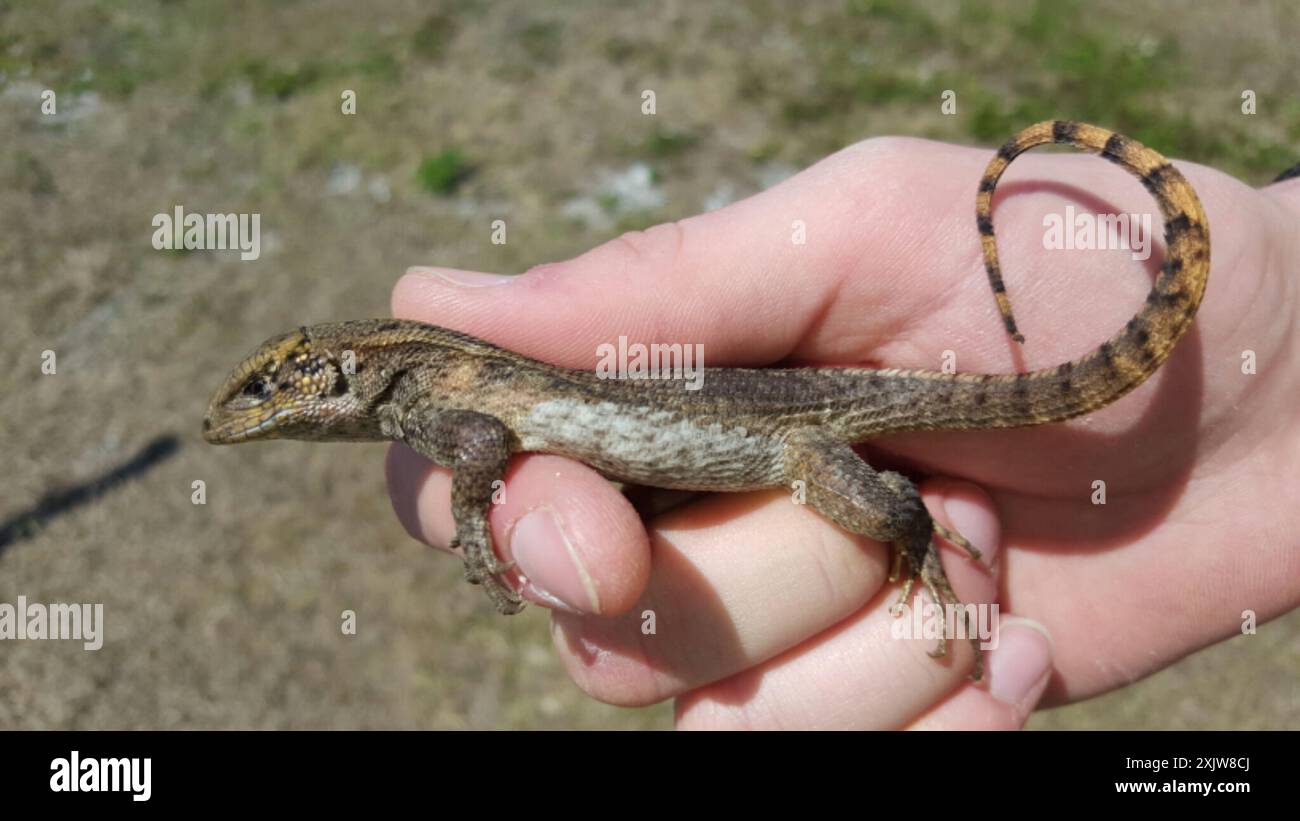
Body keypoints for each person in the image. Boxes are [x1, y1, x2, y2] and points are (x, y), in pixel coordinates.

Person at [385, 132, 1300, 729]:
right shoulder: (422, 389)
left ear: (336, 375)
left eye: (268, 388)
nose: (243, 416)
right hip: (759, 427)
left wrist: (477, 522)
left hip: (790, 430)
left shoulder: (434, 392)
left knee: (879, 518)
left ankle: (913, 526)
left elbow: (480, 448)